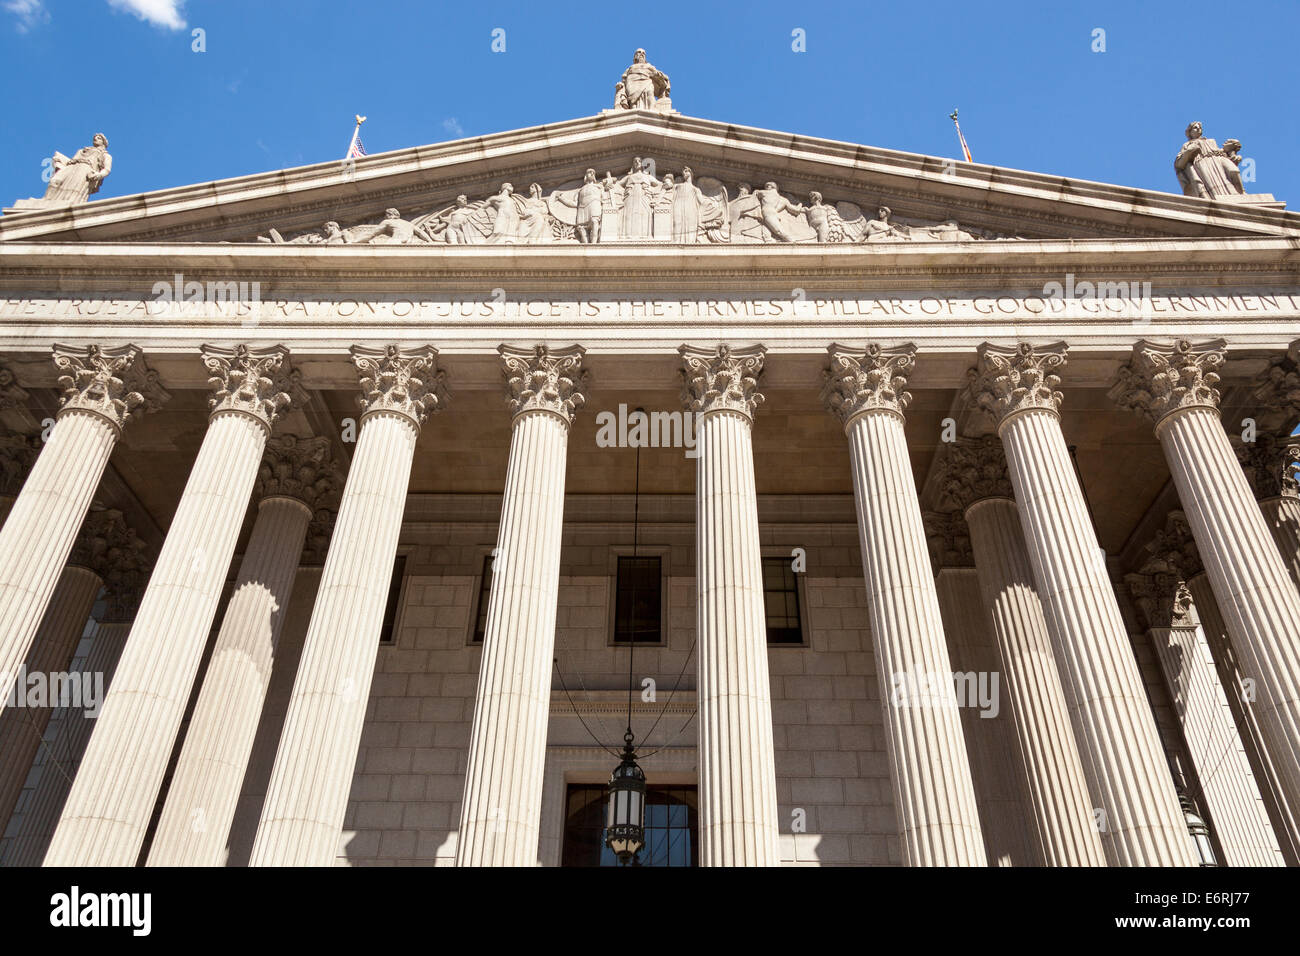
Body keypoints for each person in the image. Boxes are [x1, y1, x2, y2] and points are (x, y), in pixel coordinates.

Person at [44, 133, 112, 204]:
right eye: (95, 137)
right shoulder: (81, 150)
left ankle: (67, 203)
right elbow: (70, 162)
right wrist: (60, 160)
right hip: (71, 167)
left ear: (103, 142)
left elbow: (107, 169)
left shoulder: (105, 155)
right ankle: (46, 200)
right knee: (54, 181)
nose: (95, 139)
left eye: (99, 138)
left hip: (85, 170)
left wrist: (98, 175)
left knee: (72, 190)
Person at [575, 169, 604, 243]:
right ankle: (586, 245)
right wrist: (561, 199)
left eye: (593, 173)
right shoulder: (581, 189)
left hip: (594, 204)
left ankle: (594, 243)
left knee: (594, 221)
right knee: (581, 227)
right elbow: (575, 203)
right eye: (589, 172)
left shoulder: (599, 186)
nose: (591, 173)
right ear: (586, 175)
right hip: (582, 207)